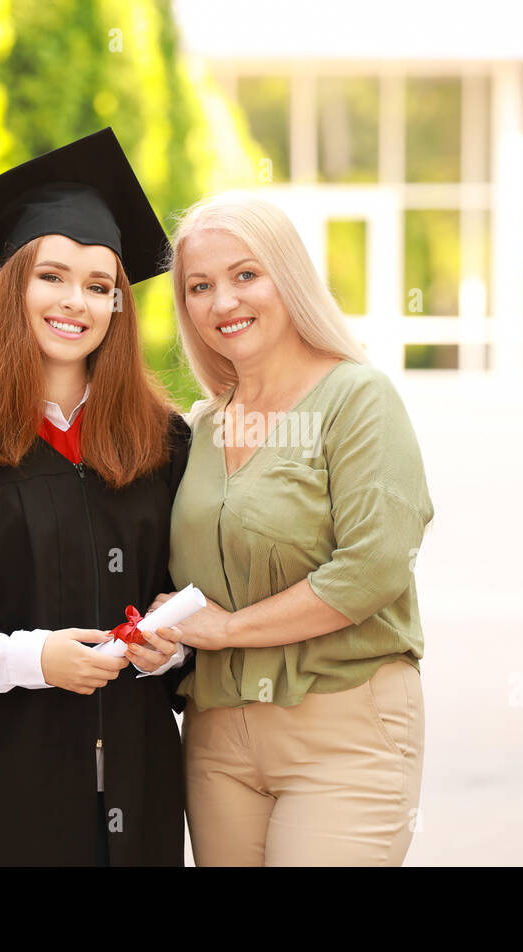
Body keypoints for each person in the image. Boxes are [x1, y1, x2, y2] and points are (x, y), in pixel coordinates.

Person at [0, 128, 192, 866]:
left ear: (120, 306)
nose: (75, 302)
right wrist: (35, 660)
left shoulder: (165, 446)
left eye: (99, 285)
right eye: (51, 276)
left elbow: (185, 602)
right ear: (8, 284)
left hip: (136, 783)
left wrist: (165, 652)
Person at [149, 191, 434, 866]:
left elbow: (372, 567)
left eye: (246, 275)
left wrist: (225, 630)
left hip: (343, 728)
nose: (224, 302)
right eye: (200, 286)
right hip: (217, 741)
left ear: (290, 278)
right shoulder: (202, 428)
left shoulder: (358, 398)